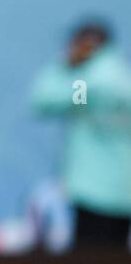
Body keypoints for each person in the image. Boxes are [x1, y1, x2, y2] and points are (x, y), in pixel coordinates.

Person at [30, 21, 131, 249]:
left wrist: (66, 65)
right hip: (122, 191)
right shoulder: (121, 75)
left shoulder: (91, 80)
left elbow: (44, 100)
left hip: (95, 191)